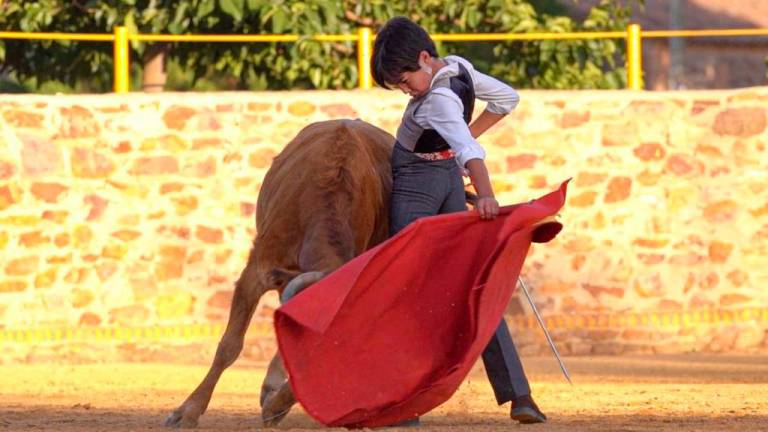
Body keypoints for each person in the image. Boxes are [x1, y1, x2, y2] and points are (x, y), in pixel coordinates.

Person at [371, 16, 547, 425]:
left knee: (403, 286)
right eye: (397, 85)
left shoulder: (436, 101)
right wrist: (461, 137)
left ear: (423, 57)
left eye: (404, 79)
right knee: (473, 284)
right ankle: (519, 395)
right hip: (449, 178)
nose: (404, 89)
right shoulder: (459, 68)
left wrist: (485, 194)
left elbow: (470, 152)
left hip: (419, 185)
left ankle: (403, 402)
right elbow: (506, 99)